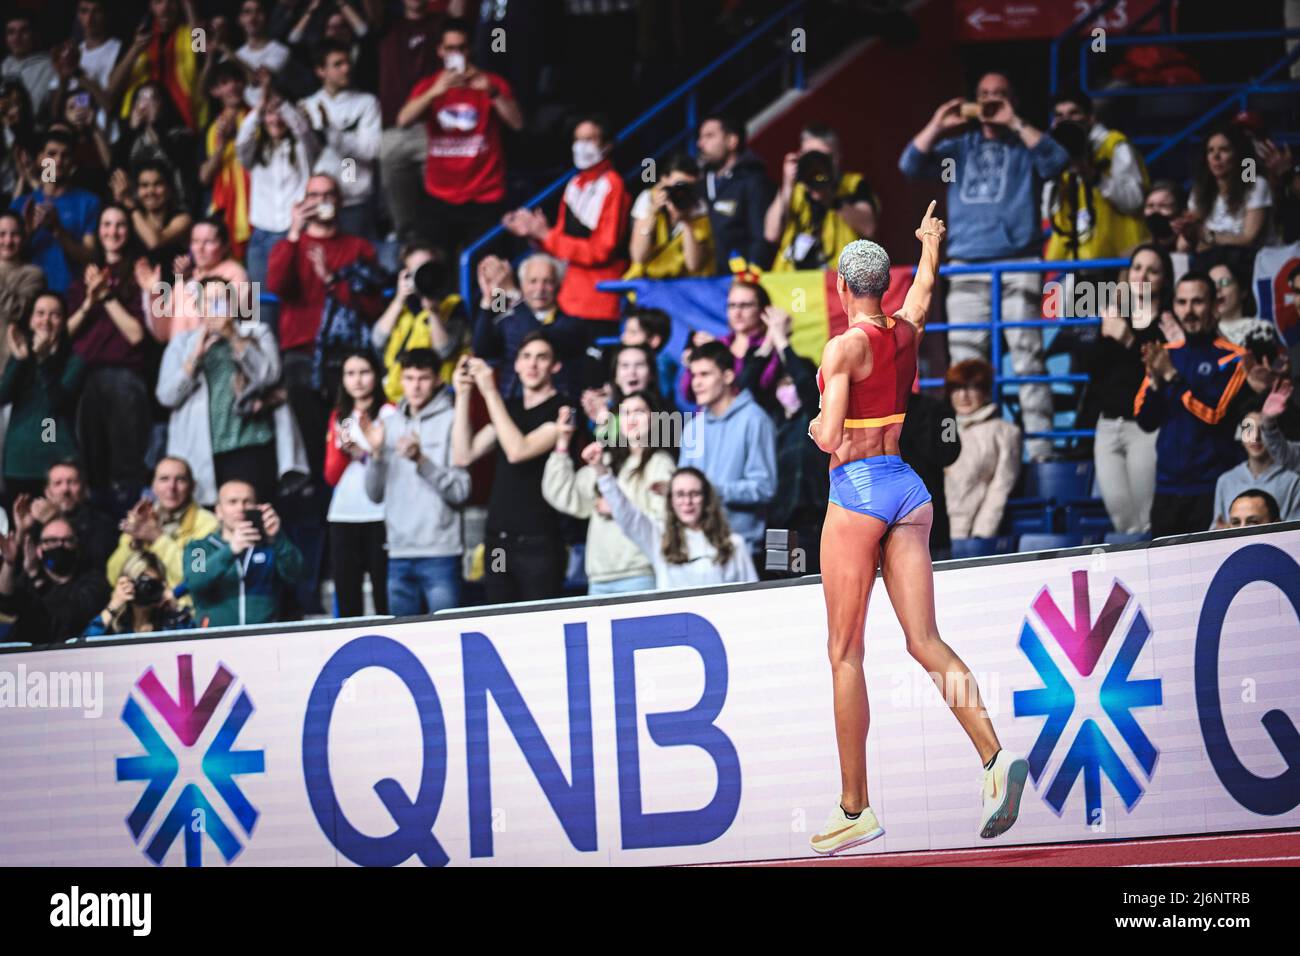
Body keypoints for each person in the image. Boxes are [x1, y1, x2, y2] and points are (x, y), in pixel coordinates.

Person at [808, 204, 1028, 855]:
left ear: (844, 288)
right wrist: (931, 243)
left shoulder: (843, 347)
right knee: (925, 640)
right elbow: (925, 288)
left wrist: (815, 415)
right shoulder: (905, 329)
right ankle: (993, 759)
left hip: (857, 490)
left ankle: (856, 807)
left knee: (846, 653)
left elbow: (828, 437)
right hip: (907, 488)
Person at [899, 73, 1070, 461]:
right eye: (985, 95)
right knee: (965, 364)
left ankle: (1042, 450)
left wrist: (1015, 123)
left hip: (1019, 261)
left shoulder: (1024, 144)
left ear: (1012, 100)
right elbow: (909, 165)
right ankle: (968, 454)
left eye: (1000, 95)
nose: (991, 102)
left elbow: (1058, 161)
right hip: (966, 266)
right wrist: (938, 123)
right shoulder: (958, 147)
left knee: (1027, 356)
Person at [451, 334, 568, 604]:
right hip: (498, 545)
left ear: (555, 366)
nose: (532, 365)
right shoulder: (509, 409)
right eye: (526, 357)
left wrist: (490, 392)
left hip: (539, 543)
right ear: (515, 365)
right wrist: (464, 395)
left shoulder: (562, 410)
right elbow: (463, 455)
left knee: (539, 626)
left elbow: (518, 451)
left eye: (542, 357)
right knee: (499, 619)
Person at [398, 17, 522, 263]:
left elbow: (517, 123)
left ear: (470, 49)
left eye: (462, 48)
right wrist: (435, 92)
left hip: (485, 195)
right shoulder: (429, 86)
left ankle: (494, 304)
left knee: (490, 269)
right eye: (450, 49)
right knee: (430, 264)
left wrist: (492, 93)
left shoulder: (492, 83)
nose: (457, 54)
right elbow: (403, 120)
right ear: (440, 51)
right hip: (440, 195)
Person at [1135, 272, 1249, 536]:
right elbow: (1145, 420)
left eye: (1197, 302)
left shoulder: (1233, 358)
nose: (1189, 311)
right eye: (1182, 302)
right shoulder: (1166, 353)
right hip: (1165, 488)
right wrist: (1155, 382)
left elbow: (1213, 413)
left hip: (1210, 487)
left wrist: (1172, 377)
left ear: (1214, 306)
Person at [155, 288, 289, 507]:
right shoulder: (182, 344)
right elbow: (166, 396)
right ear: (199, 307)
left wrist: (234, 337)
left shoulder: (257, 332)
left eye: (221, 300)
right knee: (208, 529)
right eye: (209, 301)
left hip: (249, 445)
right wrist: (195, 358)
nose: (215, 307)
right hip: (201, 452)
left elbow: (269, 376)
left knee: (252, 522)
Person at [502, 115, 629, 336]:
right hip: (568, 301)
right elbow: (560, 245)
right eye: (577, 139)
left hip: (598, 303)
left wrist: (546, 235)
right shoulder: (574, 184)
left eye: (590, 139)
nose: (581, 146)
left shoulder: (613, 185)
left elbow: (601, 251)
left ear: (607, 146)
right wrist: (535, 234)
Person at [66, 205, 152, 514]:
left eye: (120, 225)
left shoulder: (140, 274)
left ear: (128, 232)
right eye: (106, 224)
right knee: (90, 468)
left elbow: (136, 335)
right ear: (98, 230)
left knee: (126, 470)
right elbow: (64, 335)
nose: (112, 231)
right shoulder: (83, 278)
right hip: (86, 378)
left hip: (125, 377)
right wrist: (90, 302)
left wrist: (107, 298)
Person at [545, 395, 676, 595]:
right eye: (625, 413)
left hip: (639, 575)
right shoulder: (604, 461)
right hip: (599, 577)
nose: (631, 419)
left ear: (655, 419)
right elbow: (563, 493)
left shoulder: (660, 463)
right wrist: (563, 441)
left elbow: (663, 523)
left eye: (639, 412)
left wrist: (617, 507)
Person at [1085, 244, 1176, 534]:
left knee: (1146, 519)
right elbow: (1095, 372)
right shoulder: (1113, 315)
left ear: (1164, 278)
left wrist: (1126, 339)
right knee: (1123, 521)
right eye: (1137, 267)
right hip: (1108, 426)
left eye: (1152, 270)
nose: (1142, 275)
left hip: (1145, 429)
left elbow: (1157, 373)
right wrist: (1106, 333)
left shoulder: (1168, 323)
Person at [588, 449, 757, 590]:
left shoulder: (734, 544)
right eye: (680, 495)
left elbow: (752, 599)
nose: (687, 502)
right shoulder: (659, 538)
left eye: (695, 494)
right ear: (671, 501)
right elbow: (626, 514)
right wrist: (601, 471)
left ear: (707, 498)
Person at [743, 305, 831, 572]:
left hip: (816, 523)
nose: (788, 388)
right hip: (777, 525)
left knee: (815, 586)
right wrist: (770, 339)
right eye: (782, 383)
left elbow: (806, 383)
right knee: (780, 589)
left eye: (791, 382)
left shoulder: (816, 415)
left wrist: (784, 341)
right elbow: (746, 386)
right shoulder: (770, 419)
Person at [677, 339, 777, 563]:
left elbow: (764, 488)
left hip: (740, 550)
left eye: (705, 374)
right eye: (694, 375)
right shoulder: (693, 427)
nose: (696, 383)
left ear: (728, 376)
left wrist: (712, 489)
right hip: (696, 551)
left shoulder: (754, 419)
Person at [1041, 89, 1148, 261]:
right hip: (1072, 260)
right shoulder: (1059, 156)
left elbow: (1134, 200)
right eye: (1059, 116)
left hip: (1117, 259)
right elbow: (1047, 212)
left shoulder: (1113, 145)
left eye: (1073, 113)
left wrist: (1095, 176)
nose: (1066, 120)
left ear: (1091, 117)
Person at [325, 352, 394, 617]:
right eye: (350, 373)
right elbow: (330, 476)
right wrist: (345, 453)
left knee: (383, 597)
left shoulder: (390, 412)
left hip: (380, 514)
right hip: (342, 514)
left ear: (376, 376)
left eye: (364, 372)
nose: (357, 380)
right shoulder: (339, 415)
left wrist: (364, 454)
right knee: (347, 597)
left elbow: (396, 468)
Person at [185, 479, 303, 628]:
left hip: (263, 639)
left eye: (247, 502)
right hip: (214, 640)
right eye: (232, 502)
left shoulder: (270, 546)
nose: (240, 508)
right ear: (219, 511)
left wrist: (277, 538)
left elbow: (297, 575)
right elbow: (194, 582)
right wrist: (231, 550)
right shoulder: (199, 547)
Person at [236, 78, 321, 285]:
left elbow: (303, 130)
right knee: (260, 303)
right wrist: (259, 107)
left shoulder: (304, 149)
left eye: (280, 113)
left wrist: (281, 103)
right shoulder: (256, 151)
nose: (275, 119)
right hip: (260, 235)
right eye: (269, 113)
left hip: (292, 232)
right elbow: (241, 141)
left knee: (289, 300)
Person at [0, 292, 85, 497]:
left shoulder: (74, 362)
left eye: (54, 315)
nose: (46, 320)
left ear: (64, 322)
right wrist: (20, 360)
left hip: (56, 463)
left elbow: (55, 402)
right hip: (18, 462)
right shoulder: (20, 357)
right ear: (30, 321)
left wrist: (43, 360)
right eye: (40, 313)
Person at [471, 252, 585, 401]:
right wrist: (490, 296)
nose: (540, 288)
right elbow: (482, 350)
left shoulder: (571, 325)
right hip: (510, 405)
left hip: (553, 409)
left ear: (558, 286)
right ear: (522, 284)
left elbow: (537, 335)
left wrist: (512, 293)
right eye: (533, 281)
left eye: (548, 282)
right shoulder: (510, 317)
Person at [766, 123, 879, 271]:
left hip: (837, 283)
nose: (816, 164)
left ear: (837, 158)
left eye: (822, 157)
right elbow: (771, 233)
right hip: (791, 285)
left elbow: (868, 228)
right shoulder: (794, 190)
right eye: (810, 156)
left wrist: (830, 198)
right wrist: (787, 185)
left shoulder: (852, 185)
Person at [376, 0, 445, 246]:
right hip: (394, 129)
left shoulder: (441, 26)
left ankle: (442, 270)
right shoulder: (385, 24)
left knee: (439, 215)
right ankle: (409, 269)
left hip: (434, 129)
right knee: (403, 220)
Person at [106, 456, 219, 601]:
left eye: (180, 480)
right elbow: (112, 576)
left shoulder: (206, 523)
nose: (171, 487)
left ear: (193, 486)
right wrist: (135, 543)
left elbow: (198, 575)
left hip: (186, 613)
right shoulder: (143, 519)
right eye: (164, 479)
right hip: (143, 612)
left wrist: (158, 539)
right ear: (153, 486)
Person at [301, 39, 381, 240]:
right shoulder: (307, 105)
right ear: (321, 71)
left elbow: (369, 150)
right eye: (338, 64)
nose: (346, 69)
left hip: (353, 202)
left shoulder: (366, 103)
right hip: (317, 203)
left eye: (347, 63)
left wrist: (331, 130)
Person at [373, 243, 469, 402]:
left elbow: (444, 351)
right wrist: (399, 299)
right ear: (406, 274)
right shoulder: (400, 305)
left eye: (427, 267)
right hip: (396, 397)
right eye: (417, 270)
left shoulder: (453, 304)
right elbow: (377, 341)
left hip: (438, 397)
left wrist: (433, 312)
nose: (424, 275)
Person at [10, 129, 99, 294]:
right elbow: (7, 255)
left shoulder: (88, 202)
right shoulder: (21, 204)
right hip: (29, 292)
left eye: (65, 155)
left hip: (72, 294)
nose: (58, 161)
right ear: (40, 159)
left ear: (72, 162)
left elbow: (90, 256)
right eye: (51, 154)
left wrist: (58, 230)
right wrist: (28, 233)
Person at [943, 358, 1022, 542]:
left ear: (985, 392)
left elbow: (1001, 486)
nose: (963, 396)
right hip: (936, 533)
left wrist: (982, 534)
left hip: (974, 536)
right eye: (956, 388)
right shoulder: (945, 427)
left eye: (971, 388)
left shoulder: (1005, 431)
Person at [136, 217, 251, 343]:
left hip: (213, 354)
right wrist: (154, 293)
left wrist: (190, 283)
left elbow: (229, 322)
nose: (200, 248)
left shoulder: (236, 273)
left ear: (225, 246)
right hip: (179, 356)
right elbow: (162, 334)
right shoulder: (185, 278)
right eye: (195, 241)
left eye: (209, 242)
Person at [0, 513, 108, 645]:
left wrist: (37, 577)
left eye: (67, 540)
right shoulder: (29, 578)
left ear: (77, 547)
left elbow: (68, 617)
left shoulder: (93, 581)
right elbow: (6, 603)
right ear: (39, 550)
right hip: (26, 660)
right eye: (51, 541)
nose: (60, 546)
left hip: (71, 657)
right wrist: (9, 563)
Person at [677, 277, 781, 413]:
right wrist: (695, 362)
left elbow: (760, 386)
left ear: (763, 310)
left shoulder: (771, 347)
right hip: (707, 424)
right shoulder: (718, 343)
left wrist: (720, 356)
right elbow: (688, 393)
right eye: (732, 305)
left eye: (745, 305)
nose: (737, 313)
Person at [109, 0, 207, 133]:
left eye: (171, 2)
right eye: (158, 2)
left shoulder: (189, 33)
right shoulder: (138, 37)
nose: (165, 7)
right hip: (139, 121)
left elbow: (201, 51)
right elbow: (112, 88)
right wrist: (135, 49)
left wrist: (190, 7)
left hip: (181, 120)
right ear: (151, 6)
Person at [1179, 126, 1271, 265]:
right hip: (1211, 261)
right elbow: (1185, 245)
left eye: (1224, 150)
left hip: (1249, 263)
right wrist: (1187, 233)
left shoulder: (1256, 184)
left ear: (1239, 155)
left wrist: (1208, 237)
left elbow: (1248, 239)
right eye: (1211, 150)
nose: (1216, 156)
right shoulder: (1199, 190)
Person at [695, 113, 774, 273]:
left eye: (709, 136)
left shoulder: (753, 181)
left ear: (732, 141)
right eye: (700, 137)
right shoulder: (700, 185)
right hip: (704, 284)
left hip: (740, 282)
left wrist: (752, 275)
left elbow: (761, 237)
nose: (700, 143)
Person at [626, 151, 713, 279]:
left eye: (688, 188)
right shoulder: (649, 198)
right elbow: (638, 256)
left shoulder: (699, 208)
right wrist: (652, 213)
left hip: (683, 285)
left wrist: (686, 222)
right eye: (678, 185)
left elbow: (693, 264)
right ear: (663, 180)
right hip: (648, 281)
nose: (681, 193)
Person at [1210, 406, 1300, 528]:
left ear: (1275, 436)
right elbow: (1216, 528)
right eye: (1248, 429)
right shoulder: (1226, 480)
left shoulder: (1293, 481)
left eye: (1262, 429)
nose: (1255, 437)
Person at [197, 61, 251, 261]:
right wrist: (222, 145)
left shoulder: (259, 119)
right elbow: (204, 177)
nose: (233, 86)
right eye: (225, 82)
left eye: (237, 80)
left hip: (258, 211)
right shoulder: (210, 130)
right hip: (225, 214)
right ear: (214, 91)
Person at [85, 549, 194, 637]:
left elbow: (192, 648)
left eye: (152, 584)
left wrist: (174, 611)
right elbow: (84, 651)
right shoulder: (116, 623)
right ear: (127, 583)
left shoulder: (173, 620)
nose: (147, 589)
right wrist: (113, 606)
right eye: (142, 582)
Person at [110, 159, 193, 260]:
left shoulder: (183, 219)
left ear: (169, 189)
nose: (150, 191)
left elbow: (154, 242)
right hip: (139, 275)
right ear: (137, 191)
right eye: (144, 185)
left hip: (178, 275)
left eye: (158, 184)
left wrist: (130, 205)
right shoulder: (131, 217)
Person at [0, 210, 43, 365]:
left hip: (8, 365)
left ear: (24, 238)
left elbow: (17, 311)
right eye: (2, 234)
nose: (7, 241)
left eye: (14, 234)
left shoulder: (33, 275)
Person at [234, 0, 291, 109]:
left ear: (266, 18)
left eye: (258, 12)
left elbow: (257, 79)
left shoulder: (280, 51)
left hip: (272, 115)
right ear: (239, 19)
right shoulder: (235, 54)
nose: (253, 18)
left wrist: (225, 48)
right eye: (247, 12)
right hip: (243, 116)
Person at [1, 14, 56, 116]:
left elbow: (35, 108)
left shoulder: (48, 67)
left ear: (34, 34)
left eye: (24, 31)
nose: (17, 38)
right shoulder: (5, 65)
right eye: (11, 32)